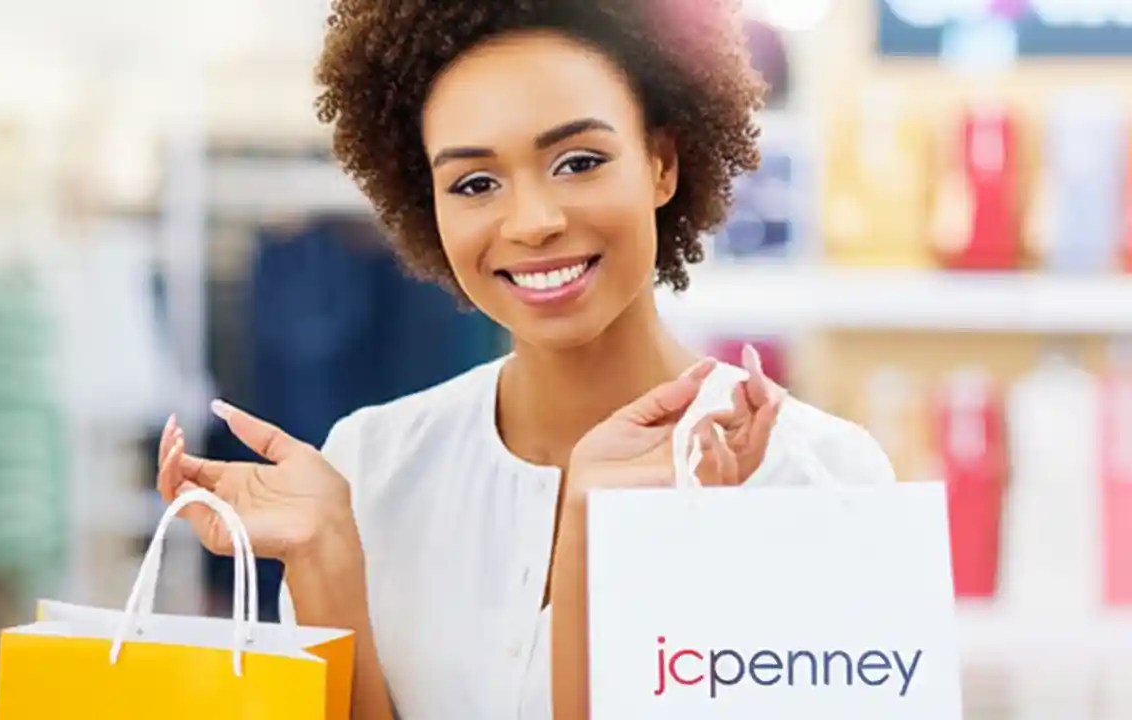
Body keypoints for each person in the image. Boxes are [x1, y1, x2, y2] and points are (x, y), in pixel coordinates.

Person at [156, 1, 896, 717]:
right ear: (427, 203)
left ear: (662, 163)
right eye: (475, 183)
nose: (534, 222)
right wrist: (323, 565)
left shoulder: (813, 477)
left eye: (578, 161)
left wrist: (608, 554)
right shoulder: (368, 468)